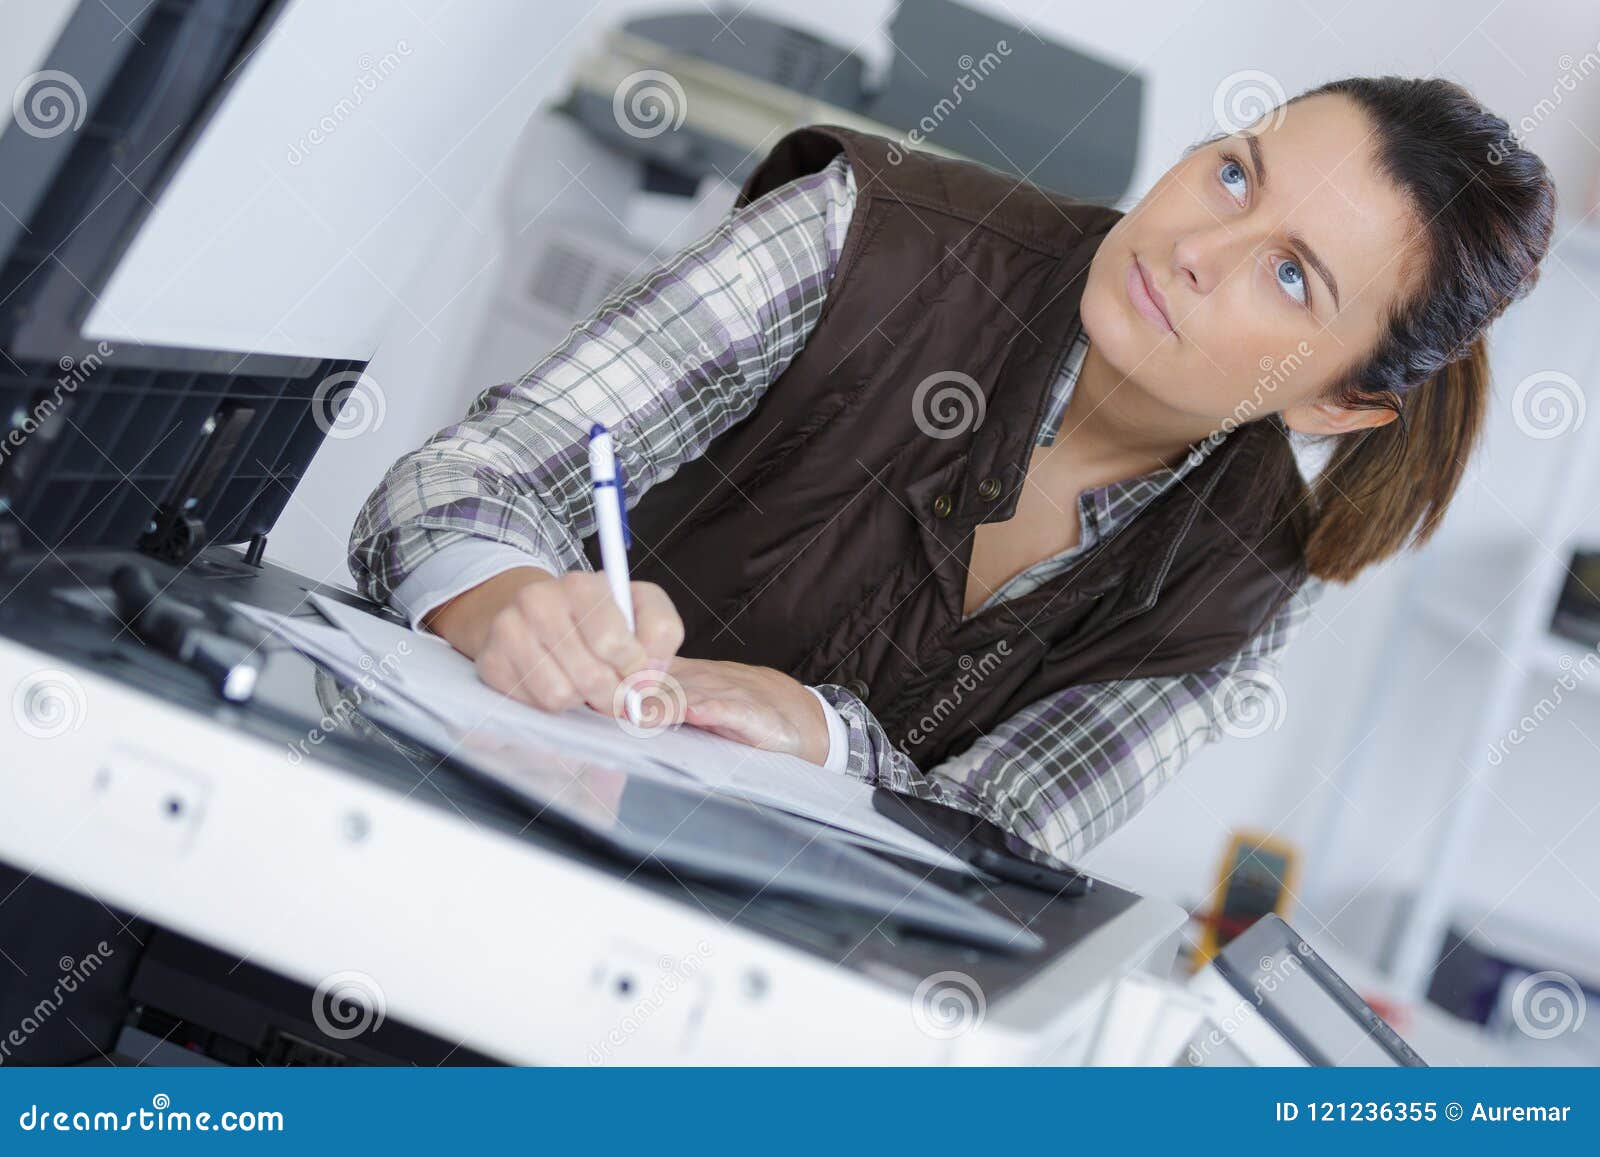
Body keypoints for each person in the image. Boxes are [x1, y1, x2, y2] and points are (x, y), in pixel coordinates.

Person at [348, 76, 1556, 865]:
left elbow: (1011, 827)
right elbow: (466, 477)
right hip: (446, 834)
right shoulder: (862, 235)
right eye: (1234, 172)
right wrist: (511, 603)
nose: (1198, 246)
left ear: (1338, 401)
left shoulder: (1246, 579)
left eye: (1290, 275)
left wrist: (816, 738)